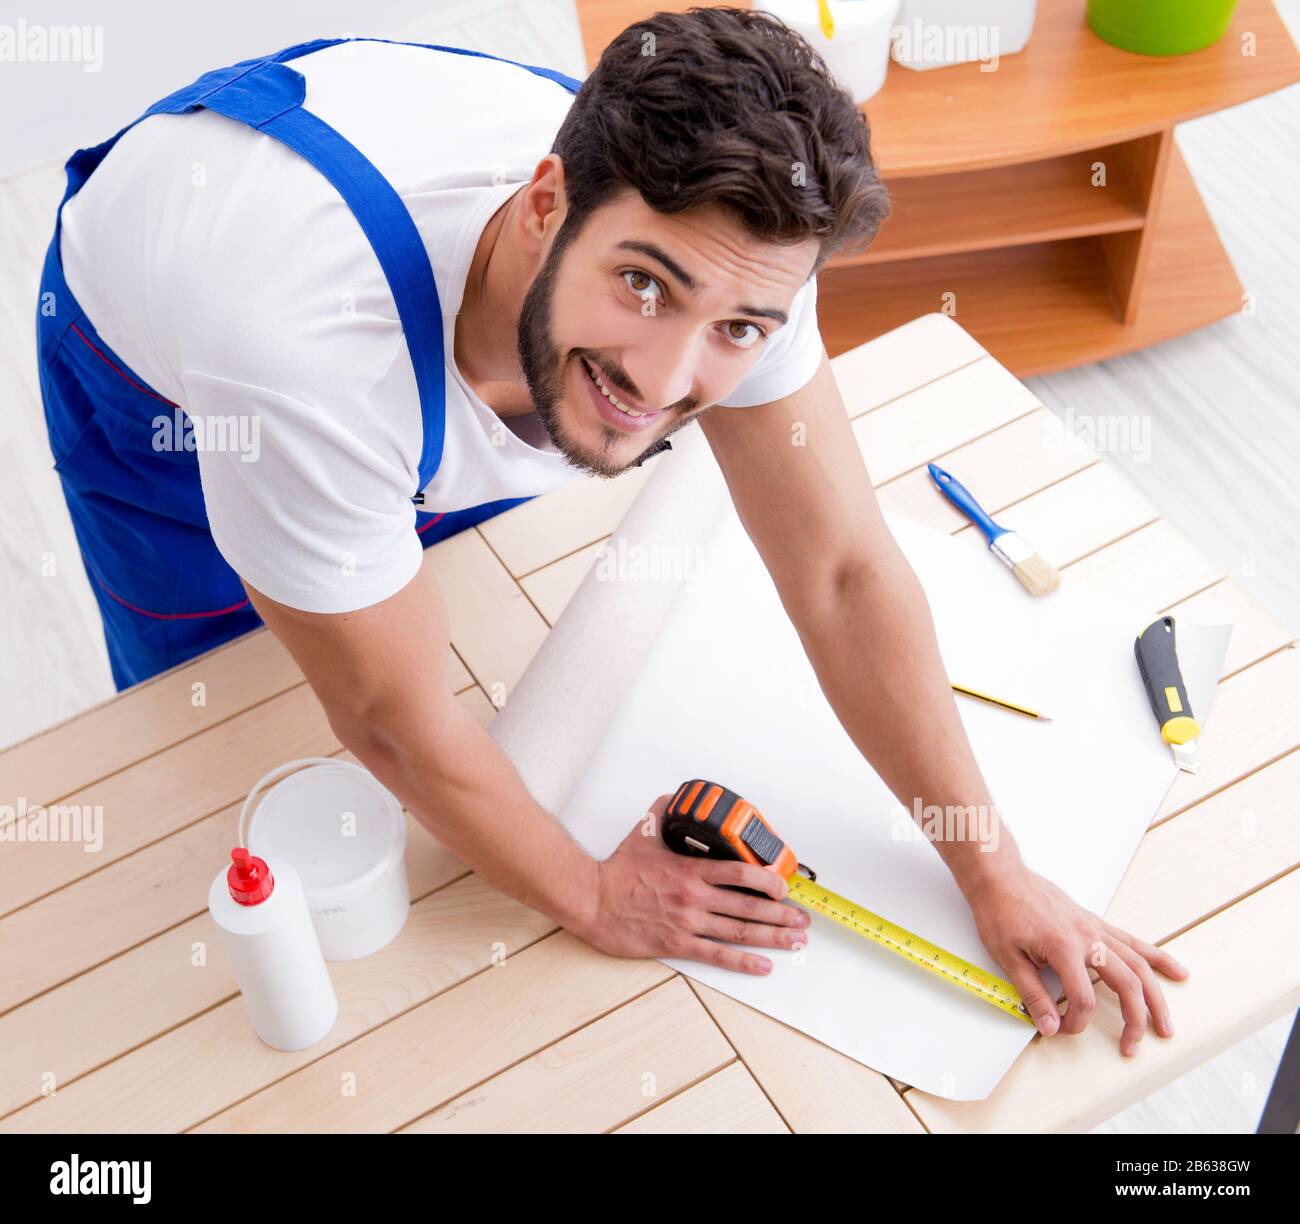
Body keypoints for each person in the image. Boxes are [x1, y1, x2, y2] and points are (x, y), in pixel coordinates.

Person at [36, 8, 1186, 1055]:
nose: (672, 376)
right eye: (643, 285)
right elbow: (389, 724)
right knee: (219, 709)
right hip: (160, 384)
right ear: (545, 208)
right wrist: (592, 895)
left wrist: (991, 869)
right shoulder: (303, 366)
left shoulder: (739, 251)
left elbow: (837, 572)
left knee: (438, 561)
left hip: (423, 290)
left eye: (736, 329)